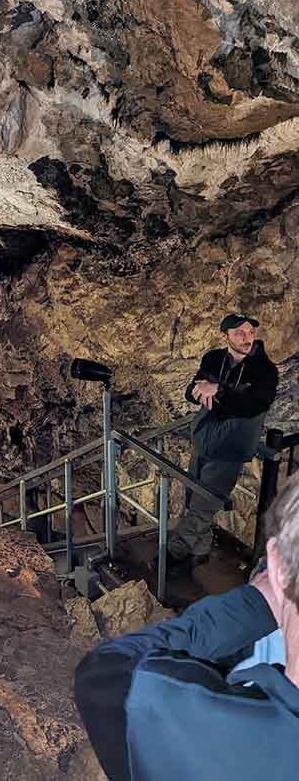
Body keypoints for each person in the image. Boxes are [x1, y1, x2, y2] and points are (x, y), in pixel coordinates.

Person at [75, 473, 299, 781]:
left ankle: (178, 554)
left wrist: (255, 602)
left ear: (276, 567)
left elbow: (105, 673)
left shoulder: (208, 734)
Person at [166, 312, 278, 571]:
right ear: (226, 335)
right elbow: (191, 393)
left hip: (231, 446)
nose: (246, 337)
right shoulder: (214, 359)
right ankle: (201, 548)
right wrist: (203, 388)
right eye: (239, 332)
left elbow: (255, 404)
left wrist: (218, 390)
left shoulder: (264, 370)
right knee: (191, 496)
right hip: (204, 438)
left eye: (250, 332)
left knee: (204, 505)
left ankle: (173, 554)